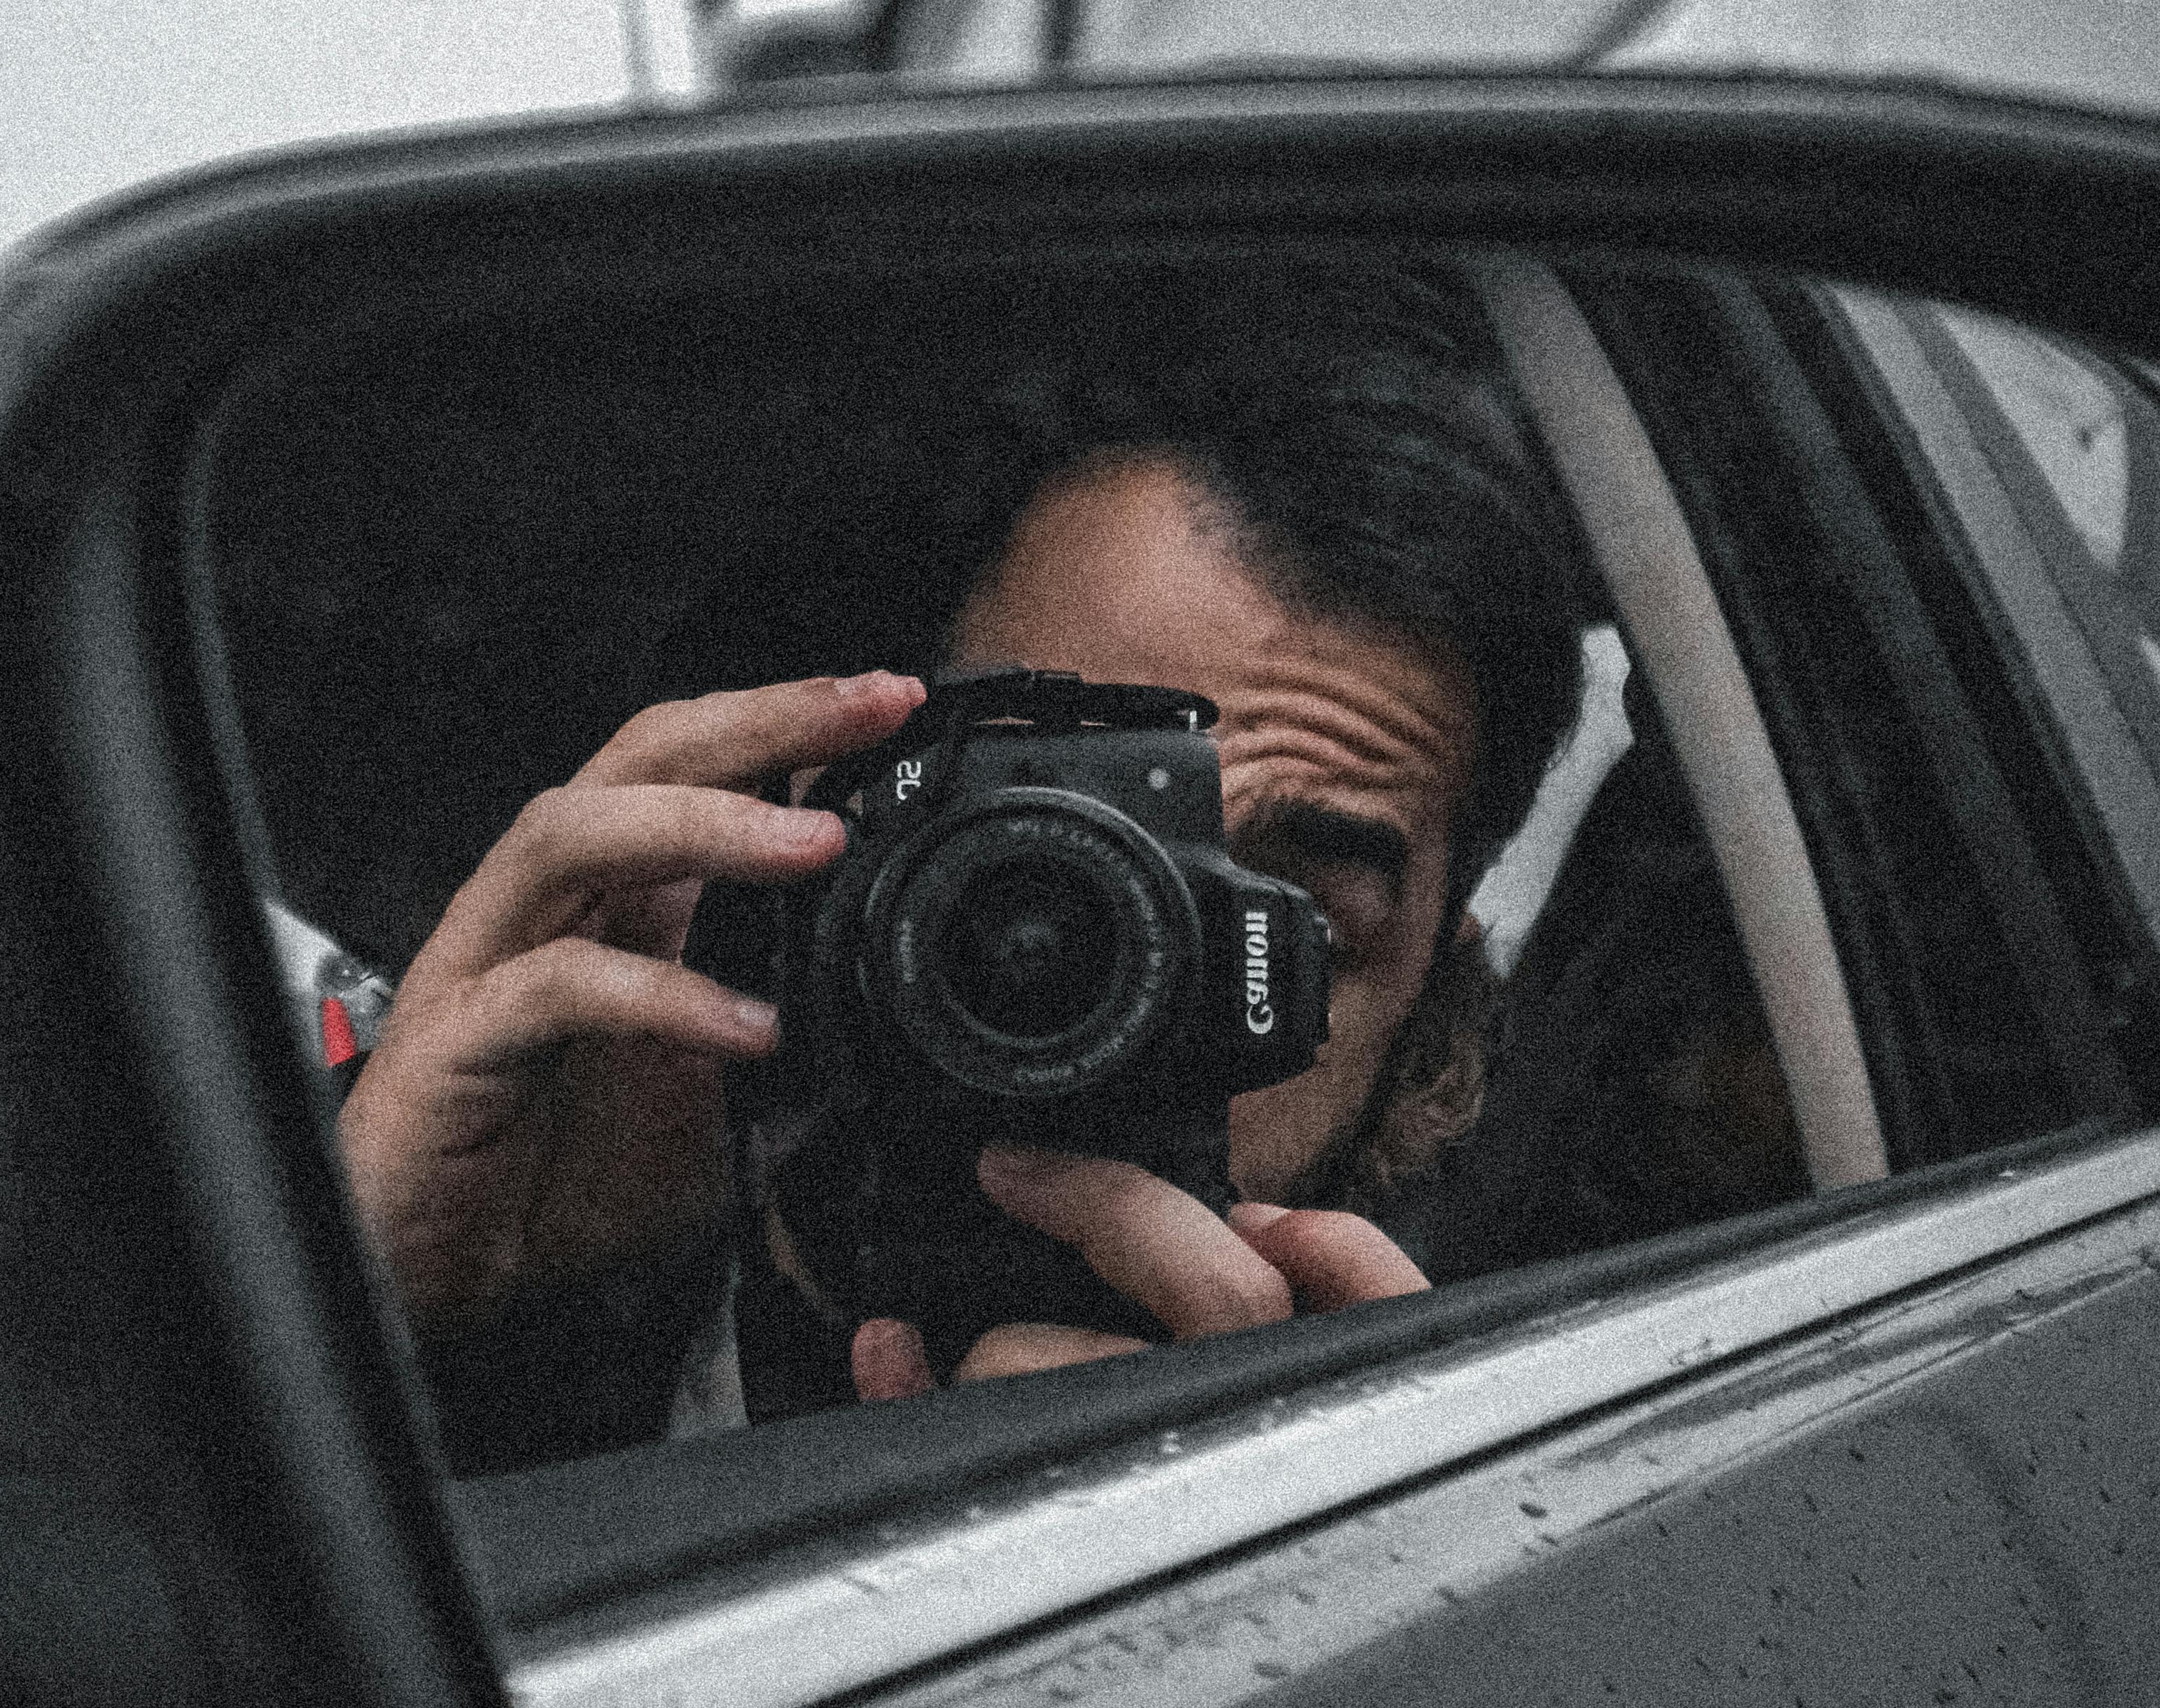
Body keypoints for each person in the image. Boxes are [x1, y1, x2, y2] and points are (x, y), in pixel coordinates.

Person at [335, 300, 1591, 1464]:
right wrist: (373, 1305)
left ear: (1434, 996)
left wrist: (1342, 1495)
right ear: (815, 808)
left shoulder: (1444, 1418)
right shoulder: (513, 1236)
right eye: (1035, 828)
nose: (1113, 957)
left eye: (1289, 918)